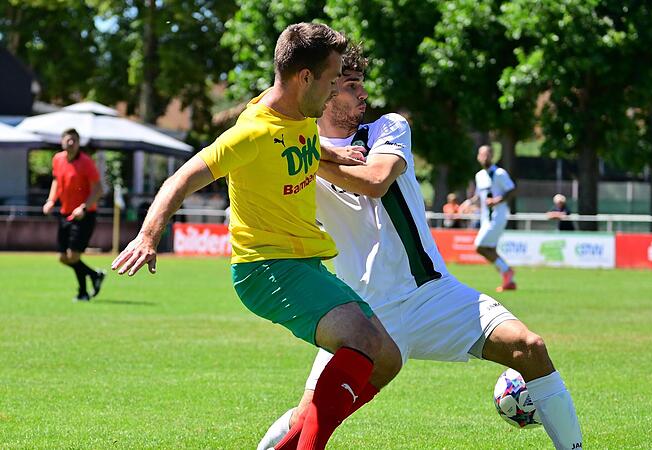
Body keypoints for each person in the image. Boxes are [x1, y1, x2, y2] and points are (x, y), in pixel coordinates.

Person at [257, 44, 582, 450]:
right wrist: (297, 151)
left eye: (362, 84)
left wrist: (304, 155)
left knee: (529, 347)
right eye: (352, 85)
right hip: (362, 314)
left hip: (433, 295)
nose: (364, 94)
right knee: (306, 419)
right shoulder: (297, 151)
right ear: (325, 88)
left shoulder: (387, 128)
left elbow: (376, 180)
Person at [111, 23, 402, 450]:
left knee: (387, 360)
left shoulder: (299, 113)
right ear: (305, 77)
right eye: (331, 79)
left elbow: (299, 141)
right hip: (267, 268)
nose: (334, 90)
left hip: (303, 264)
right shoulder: (251, 132)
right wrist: (148, 236)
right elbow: (181, 178)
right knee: (364, 342)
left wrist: (333, 153)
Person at [42, 128, 106, 301]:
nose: (71, 143)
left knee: (73, 256)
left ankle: (83, 293)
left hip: (85, 215)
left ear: (78, 144)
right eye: (68, 140)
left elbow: (99, 189)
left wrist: (84, 207)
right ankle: (94, 275)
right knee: (63, 258)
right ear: (62, 141)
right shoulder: (58, 159)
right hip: (65, 213)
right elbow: (56, 180)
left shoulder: (86, 162)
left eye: (74, 140)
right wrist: (50, 200)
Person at [473, 144, 517, 292]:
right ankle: (508, 280)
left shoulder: (499, 173)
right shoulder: (479, 175)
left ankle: (507, 271)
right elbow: (478, 196)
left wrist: (497, 200)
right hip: (485, 218)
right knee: (489, 248)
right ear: (478, 157)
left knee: (479, 246)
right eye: (482, 154)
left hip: (497, 216)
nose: (484, 157)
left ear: (492, 156)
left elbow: (511, 190)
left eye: (487, 154)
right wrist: (468, 204)